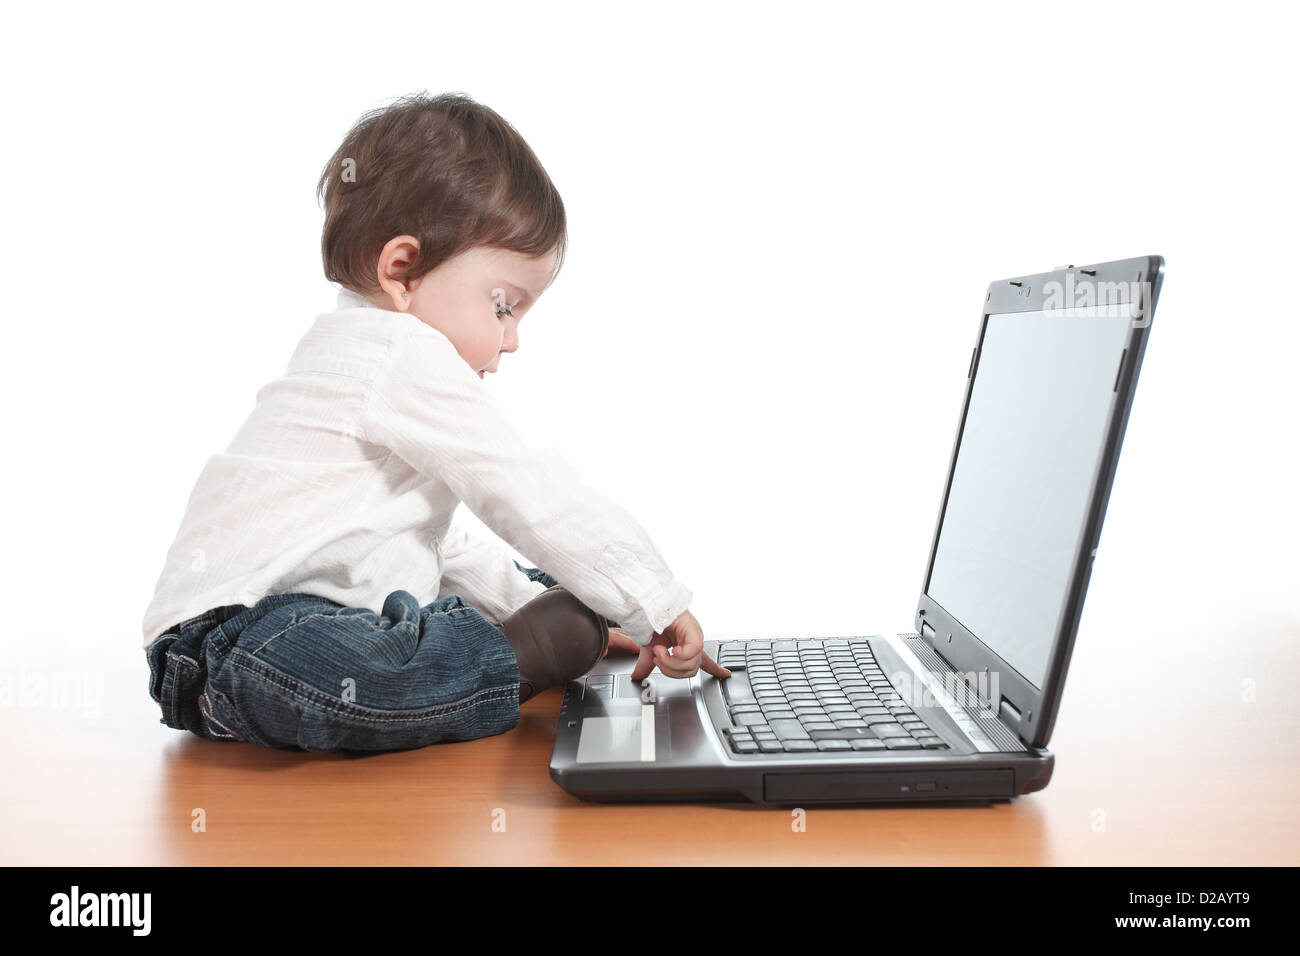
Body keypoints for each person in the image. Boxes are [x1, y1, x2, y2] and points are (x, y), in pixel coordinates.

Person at [141, 91, 728, 753]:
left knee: (403, 623)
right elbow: (527, 490)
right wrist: (652, 597)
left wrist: (581, 601)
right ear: (404, 270)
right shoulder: (398, 353)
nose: (511, 341)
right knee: (354, 668)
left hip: (241, 661)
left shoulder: (357, 354)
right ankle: (514, 655)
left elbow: (436, 547)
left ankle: (532, 622)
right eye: (504, 306)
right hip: (243, 643)